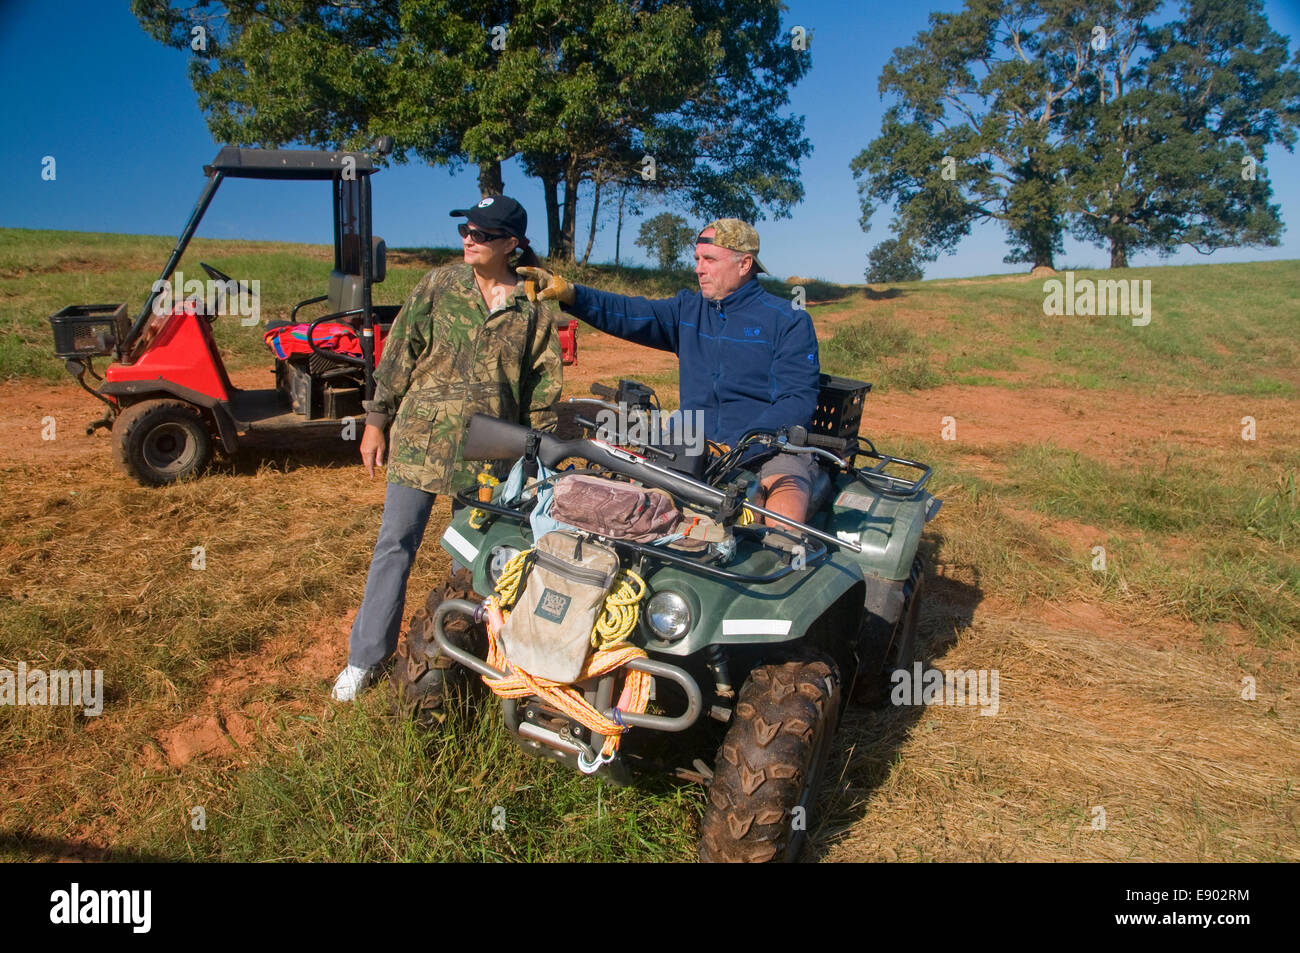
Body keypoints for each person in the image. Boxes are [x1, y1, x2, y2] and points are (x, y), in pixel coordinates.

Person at [332, 195, 563, 701]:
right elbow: (399, 353)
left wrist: (540, 458)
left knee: (476, 562)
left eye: (481, 234)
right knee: (395, 546)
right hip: (421, 441)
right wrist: (376, 421)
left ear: (511, 243)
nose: (469, 239)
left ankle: (458, 663)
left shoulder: (534, 307)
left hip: (489, 458)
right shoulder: (439, 284)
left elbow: (542, 388)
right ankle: (365, 660)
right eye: (467, 230)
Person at [519, 218, 820, 527]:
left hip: (769, 452)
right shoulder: (687, 310)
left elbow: (796, 400)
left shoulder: (788, 320)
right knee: (625, 515)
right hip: (691, 443)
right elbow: (629, 313)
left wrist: (744, 445)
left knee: (781, 525)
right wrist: (572, 294)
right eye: (697, 260)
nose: (698, 269)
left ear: (744, 264)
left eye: (709, 260)